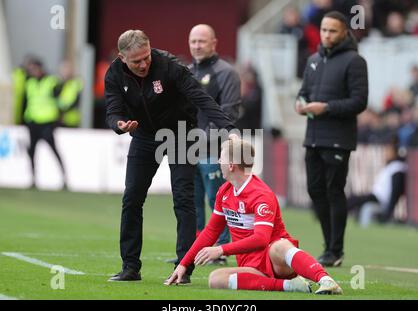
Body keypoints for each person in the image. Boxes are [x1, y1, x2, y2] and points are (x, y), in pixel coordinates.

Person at [105, 30, 237, 282]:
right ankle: (130, 267)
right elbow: (113, 109)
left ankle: (183, 267)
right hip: (144, 136)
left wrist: (229, 129)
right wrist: (119, 124)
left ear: (150, 48)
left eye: (146, 57)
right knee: (132, 198)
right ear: (122, 58)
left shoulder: (170, 67)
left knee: (183, 199)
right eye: (136, 61)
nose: (143, 64)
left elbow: (202, 98)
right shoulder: (114, 74)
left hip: (181, 134)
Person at [165, 139, 342, 295]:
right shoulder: (224, 192)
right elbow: (210, 232)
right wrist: (184, 264)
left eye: (222, 158)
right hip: (250, 265)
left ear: (232, 165)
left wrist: (221, 249)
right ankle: (290, 286)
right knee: (215, 279)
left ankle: (325, 279)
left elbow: (261, 239)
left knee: (279, 246)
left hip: (275, 260)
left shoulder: (261, 195)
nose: (219, 162)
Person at [295, 11, 368, 267]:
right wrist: (300, 103)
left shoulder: (354, 61)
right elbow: (303, 92)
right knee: (315, 191)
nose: (326, 35)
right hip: (312, 137)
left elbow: (359, 102)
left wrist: (325, 108)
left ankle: (334, 250)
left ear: (344, 33)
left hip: (338, 138)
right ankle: (329, 246)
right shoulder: (313, 60)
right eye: (324, 30)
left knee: (333, 191)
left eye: (332, 31)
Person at [187, 24, 241, 264]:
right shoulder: (187, 71)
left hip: (213, 150)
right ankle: (194, 249)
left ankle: (221, 250)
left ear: (214, 43)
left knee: (216, 200)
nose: (197, 46)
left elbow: (229, 113)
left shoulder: (226, 73)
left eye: (202, 41)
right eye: (193, 41)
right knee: (191, 201)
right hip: (187, 149)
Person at [22, 58, 67, 189]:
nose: (32, 71)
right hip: (33, 121)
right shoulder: (29, 82)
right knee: (32, 152)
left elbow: (59, 97)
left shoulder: (51, 81)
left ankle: (64, 178)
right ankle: (33, 179)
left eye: (34, 68)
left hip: (47, 122)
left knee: (53, 150)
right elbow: (26, 102)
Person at [347, 138, 407, 227]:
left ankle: (334, 213)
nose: (385, 153)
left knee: (354, 200)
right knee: (354, 198)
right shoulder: (391, 167)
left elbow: (395, 193)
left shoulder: (397, 168)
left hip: (380, 199)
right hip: (376, 196)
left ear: (395, 152)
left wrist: (387, 213)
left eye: (388, 151)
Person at [57, 60, 83, 127]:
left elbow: (77, 101)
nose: (65, 71)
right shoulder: (58, 83)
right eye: (64, 69)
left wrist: (63, 111)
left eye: (67, 68)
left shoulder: (77, 83)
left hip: (72, 120)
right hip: (59, 120)